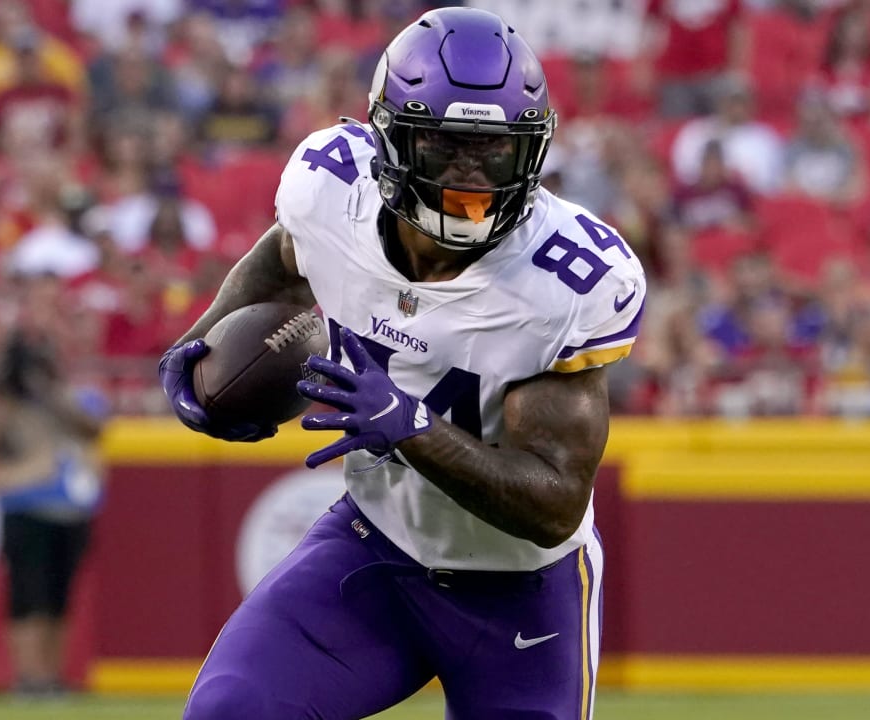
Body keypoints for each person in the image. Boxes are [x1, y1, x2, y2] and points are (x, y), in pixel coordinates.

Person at [159, 8, 645, 719]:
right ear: (390, 138)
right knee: (231, 710)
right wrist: (201, 344)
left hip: (520, 596)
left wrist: (411, 427)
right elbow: (285, 254)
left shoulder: (565, 283)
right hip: (376, 549)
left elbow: (553, 502)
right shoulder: (333, 190)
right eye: (445, 146)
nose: (469, 175)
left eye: (494, 152)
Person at [0, 310, 106, 697]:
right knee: (26, 596)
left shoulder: (76, 397)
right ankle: (28, 677)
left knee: (57, 596)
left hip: (69, 508)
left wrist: (49, 392)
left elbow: (93, 427)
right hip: (23, 507)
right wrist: (10, 389)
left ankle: (51, 676)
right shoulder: (9, 404)